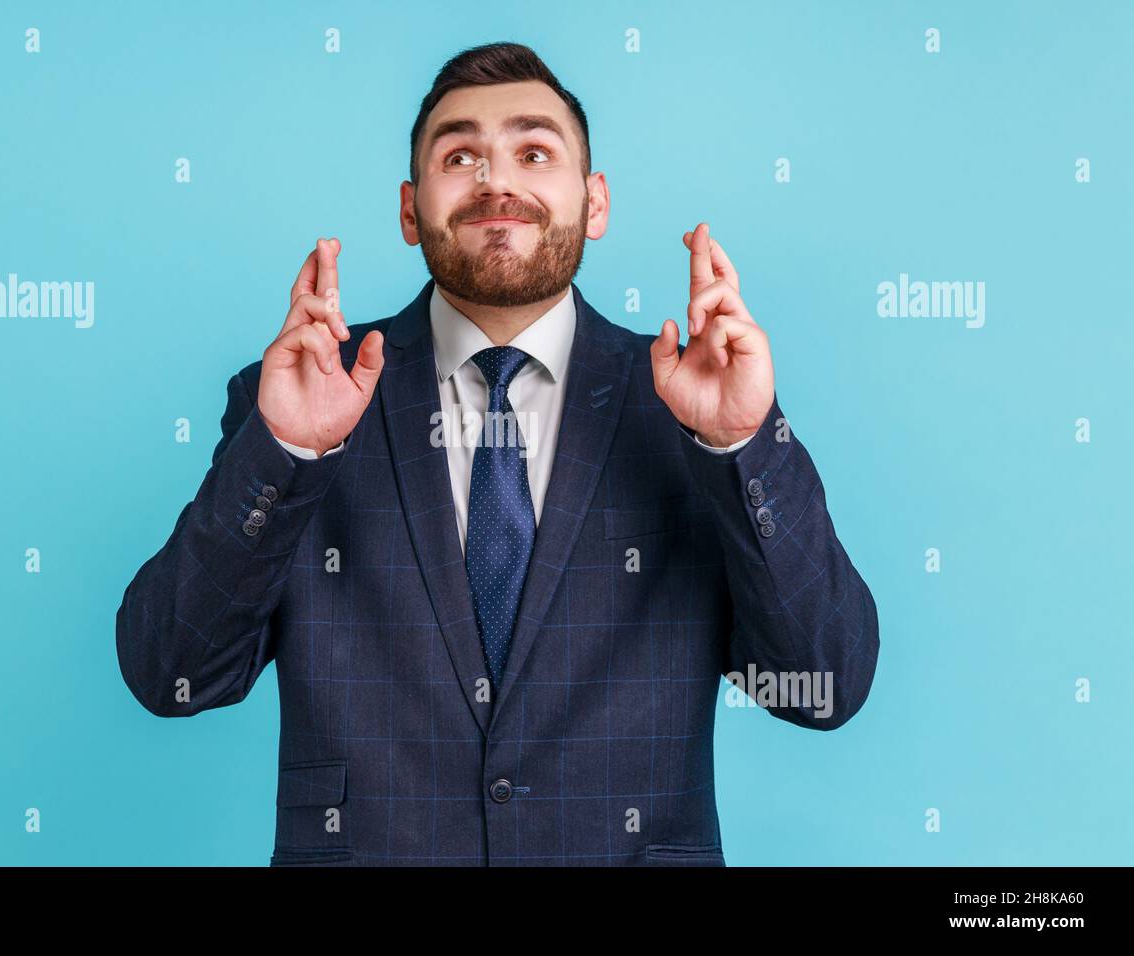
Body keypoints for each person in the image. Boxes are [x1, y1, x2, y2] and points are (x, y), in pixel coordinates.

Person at [115, 41, 880, 867]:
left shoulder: (689, 405)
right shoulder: (305, 401)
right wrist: (286, 452)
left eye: (534, 151)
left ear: (594, 205)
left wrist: (738, 444)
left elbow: (825, 686)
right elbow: (171, 673)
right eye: (459, 155)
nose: (494, 181)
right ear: (411, 211)